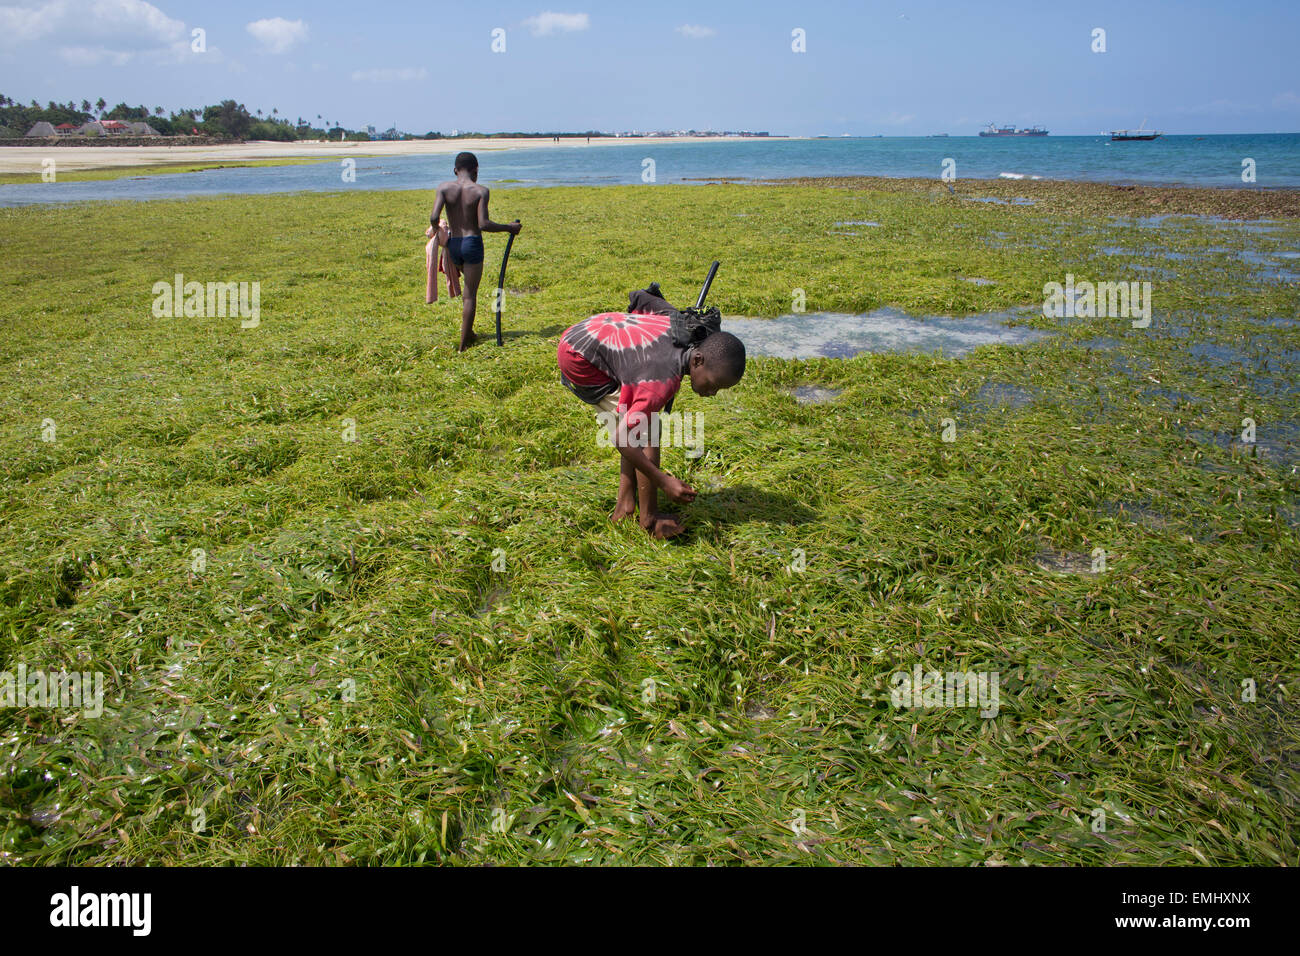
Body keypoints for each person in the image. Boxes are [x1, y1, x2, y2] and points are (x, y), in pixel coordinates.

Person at [557, 284, 745, 538]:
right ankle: (649, 517)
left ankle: (625, 505)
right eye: (712, 385)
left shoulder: (680, 328)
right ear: (698, 360)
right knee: (646, 433)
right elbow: (621, 438)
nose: (711, 393)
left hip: (587, 332)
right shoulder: (660, 381)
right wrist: (662, 480)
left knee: (638, 420)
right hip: (580, 359)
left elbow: (643, 299)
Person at [430, 152, 521, 351]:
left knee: (467, 293)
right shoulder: (481, 191)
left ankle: (469, 332)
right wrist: (509, 227)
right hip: (472, 243)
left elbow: (433, 217)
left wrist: (439, 231)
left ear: (455, 170)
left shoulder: (444, 188)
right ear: (476, 170)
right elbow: (483, 224)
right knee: (470, 295)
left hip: (454, 244)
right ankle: (464, 344)